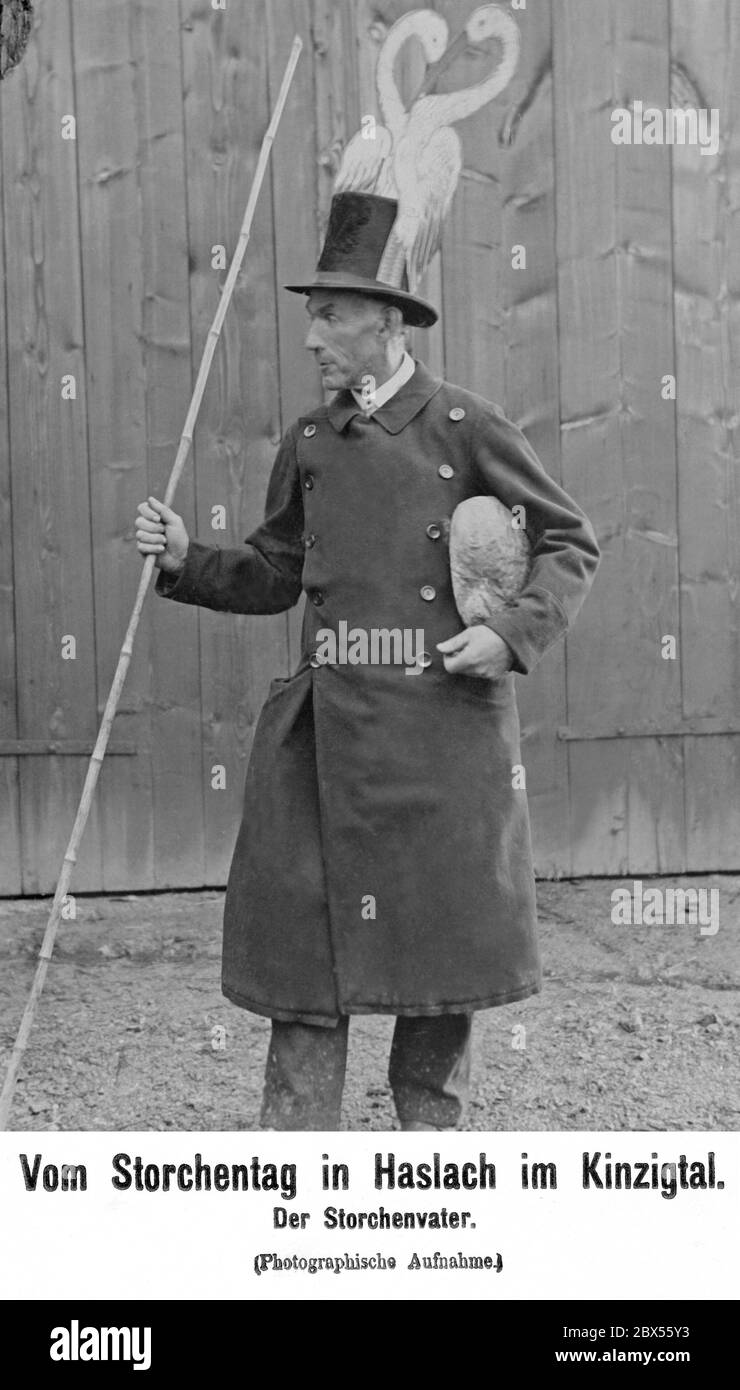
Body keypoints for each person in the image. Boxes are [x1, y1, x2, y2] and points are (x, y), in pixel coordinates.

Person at [135, 191, 600, 1131]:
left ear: (387, 322)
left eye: (330, 315)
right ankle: (298, 1166)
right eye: (313, 315)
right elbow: (275, 571)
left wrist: (510, 633)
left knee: (442, 957)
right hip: (327, 737)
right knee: (306, 956)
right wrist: (188, 559)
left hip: (443, 735)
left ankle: (426, 1163)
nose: (313, 337)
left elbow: (570, 539)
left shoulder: (467, 426)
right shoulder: (310, 441)